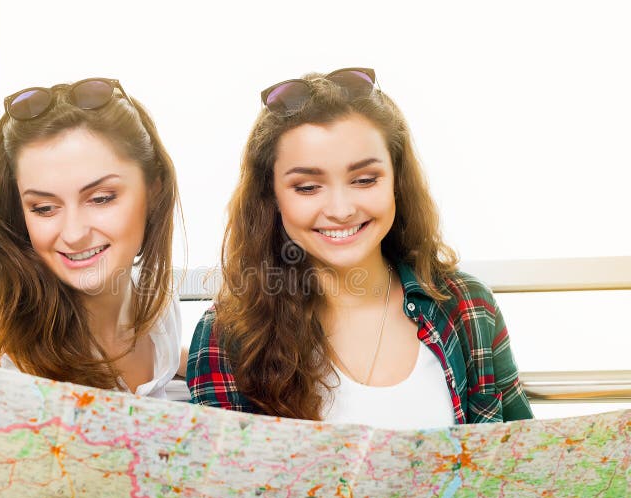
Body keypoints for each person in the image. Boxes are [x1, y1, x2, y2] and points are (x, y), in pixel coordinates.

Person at [187, 68, 533, 427]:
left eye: (364, 180)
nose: (341, 210)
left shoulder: (469, 307)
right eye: (307, 187)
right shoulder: (228, 336)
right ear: (271, 197)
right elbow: (224, 482)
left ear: (397, 180)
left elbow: (527, 465)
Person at [0, 77, 187, 399]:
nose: (73, 234)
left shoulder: (160, 311)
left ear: (153, 190)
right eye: (44, 208)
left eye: (100, 199)